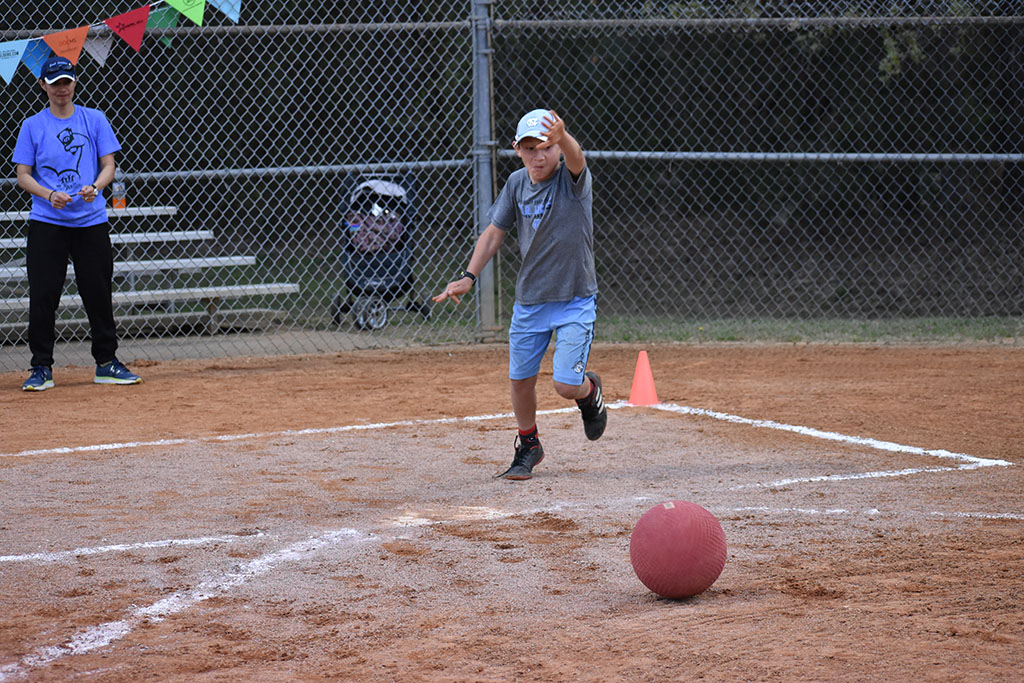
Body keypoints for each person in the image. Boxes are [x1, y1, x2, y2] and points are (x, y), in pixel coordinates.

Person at [433, 108, 606, 480]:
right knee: (520, 378)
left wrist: (565, 137)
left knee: (564, 385)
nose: (538, 156)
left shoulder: (572, 180)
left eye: (545, 147)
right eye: (529, 149)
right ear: (517, 149)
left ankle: (589, 392)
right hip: (531, 299)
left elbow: (578, 158)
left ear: (556, 148)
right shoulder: (515, 184)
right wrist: (468, 276)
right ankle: (529, 445)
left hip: (574, 298)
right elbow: (494, 232)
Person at [12, 55, 141, 391]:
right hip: (47, 222)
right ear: (43, 86)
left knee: (97, 292)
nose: (61, 89)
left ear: (75, 82)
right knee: (44, 295)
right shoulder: (32, 125)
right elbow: (23, 175)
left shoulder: (94, 119)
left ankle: (106, 363)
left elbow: (108, 165)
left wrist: (96, 187)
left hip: (91, 220)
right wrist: (47, 193)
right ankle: (41, 367)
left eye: (66, 82)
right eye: (54, 84)